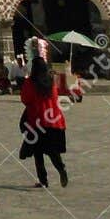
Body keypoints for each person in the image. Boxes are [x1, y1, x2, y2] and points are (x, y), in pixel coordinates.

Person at [18, 55, 77, 188]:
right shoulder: (51, 81)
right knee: (52, 151)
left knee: (38, 152)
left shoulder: (30, 83)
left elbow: (25, 99)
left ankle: (43, 180)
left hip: (37, 121)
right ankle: (61, 169)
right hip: (53, 120)